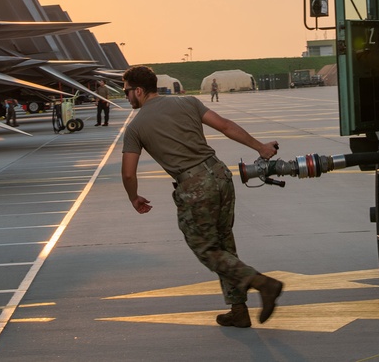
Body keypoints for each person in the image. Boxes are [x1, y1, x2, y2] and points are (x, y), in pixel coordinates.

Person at [120, 65, 283, 327]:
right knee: (223, 244)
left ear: (138, 90)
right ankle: (238, 310)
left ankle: (262, 283)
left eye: (127, 91)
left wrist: (133, 197)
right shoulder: (188, 101)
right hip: (220, 174)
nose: (126, 96)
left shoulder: (136, 127)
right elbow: (226, 126)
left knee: (206, 249)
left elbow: (128, 174)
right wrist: (260, 147)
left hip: (194, 185)